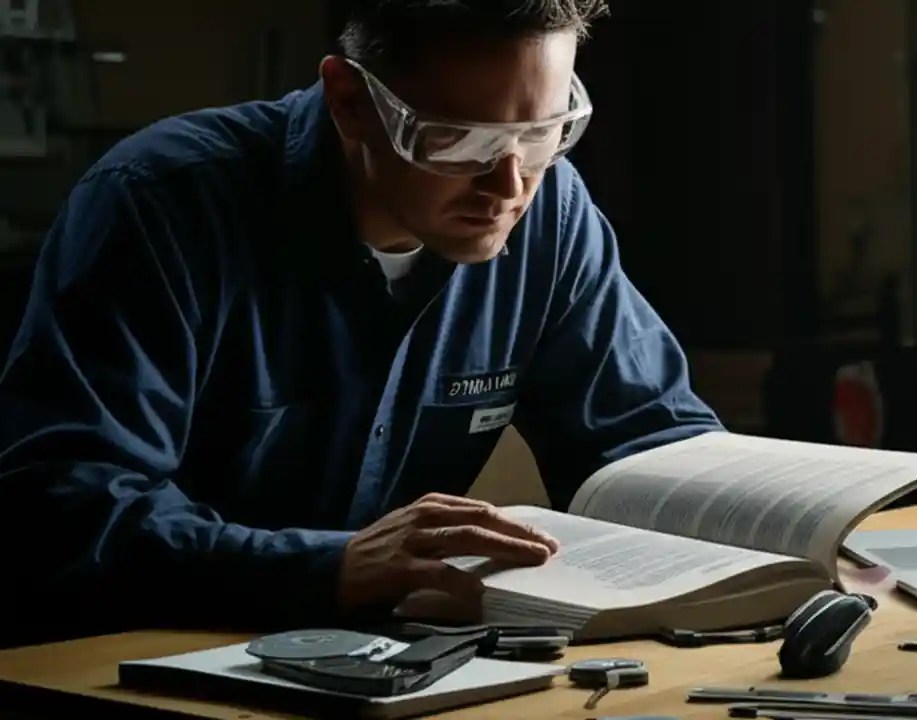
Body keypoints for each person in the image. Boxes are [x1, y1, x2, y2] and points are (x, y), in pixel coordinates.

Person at [0, 0, 722, 646]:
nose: (510, 187)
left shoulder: (553, 216)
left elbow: (645, 442)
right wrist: (331, 567)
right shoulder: (162, 204)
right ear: (349, 100)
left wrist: (801, 524)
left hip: (380, 658)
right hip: (123, 656)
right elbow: (69, 505)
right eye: (460, 141)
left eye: (544, 133)